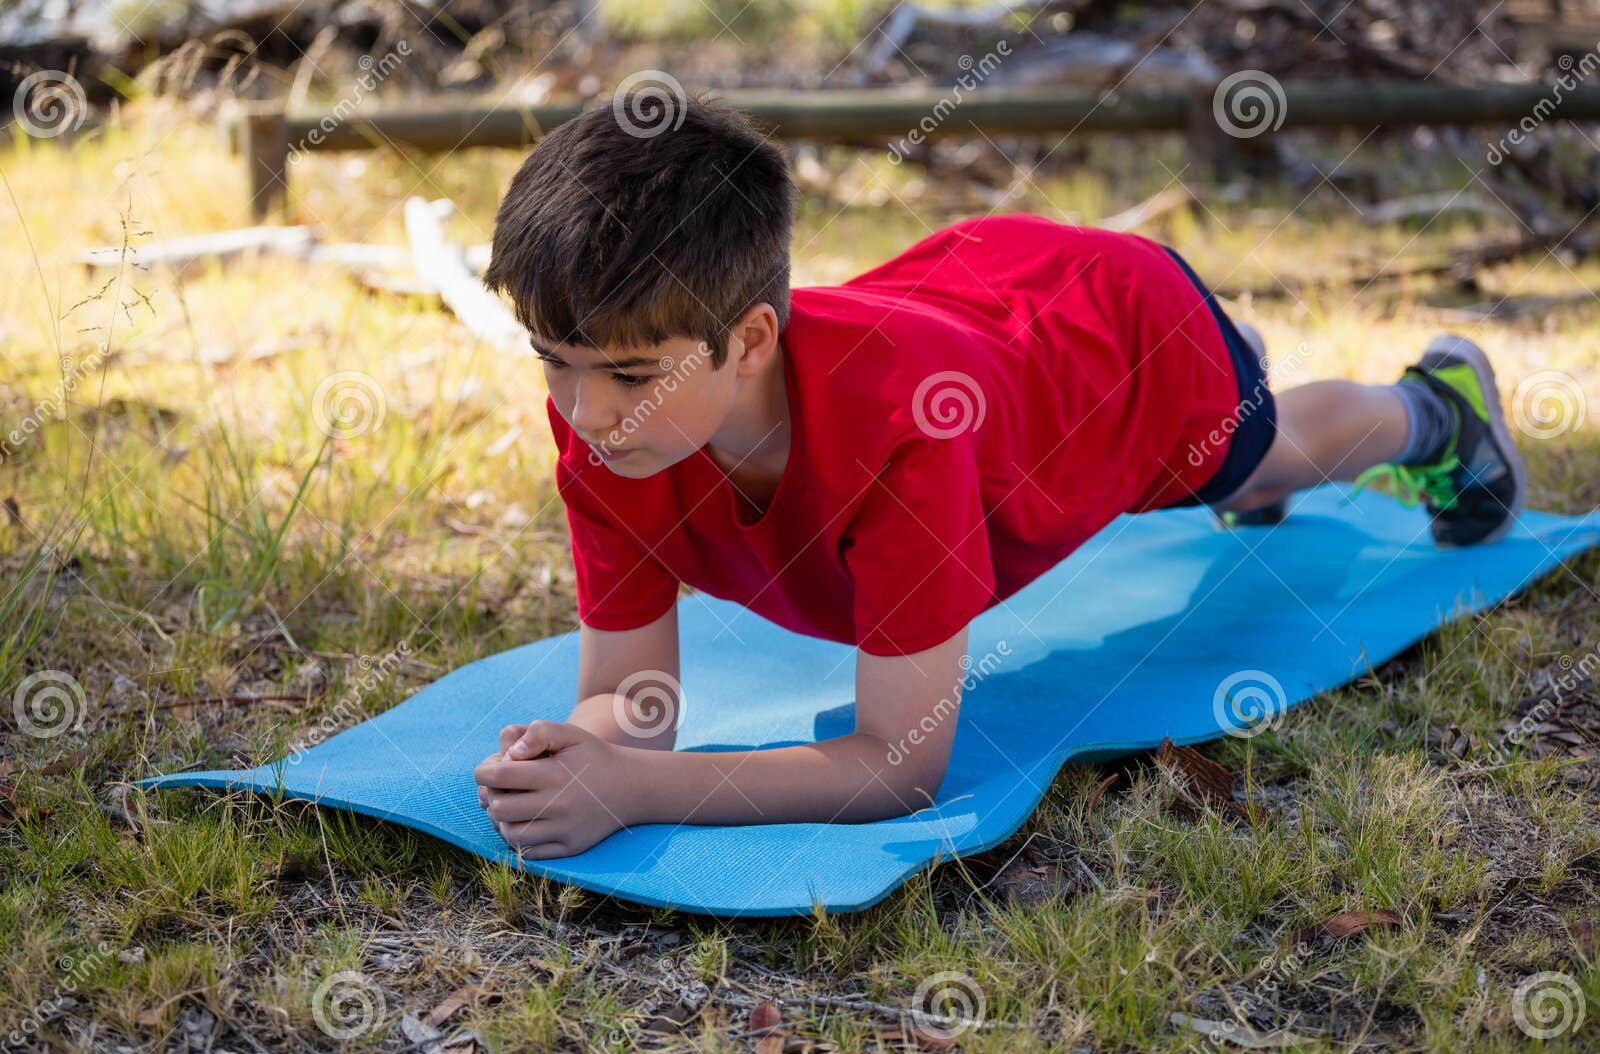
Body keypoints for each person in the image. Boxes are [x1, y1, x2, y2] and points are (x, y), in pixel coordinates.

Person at [470, 92, 1526, 859]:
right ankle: (1234, 354)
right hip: (981, 297)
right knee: (1235, 454)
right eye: (552, 363)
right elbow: (629, 702)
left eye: (624, 375)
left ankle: (1435, 405)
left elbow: (896, 761)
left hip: (1117, 335)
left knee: (1253, 463)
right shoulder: (614, 424)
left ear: (748, 342)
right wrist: (576, 748)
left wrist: (640, 791)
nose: (583, 413)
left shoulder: (896, 437)